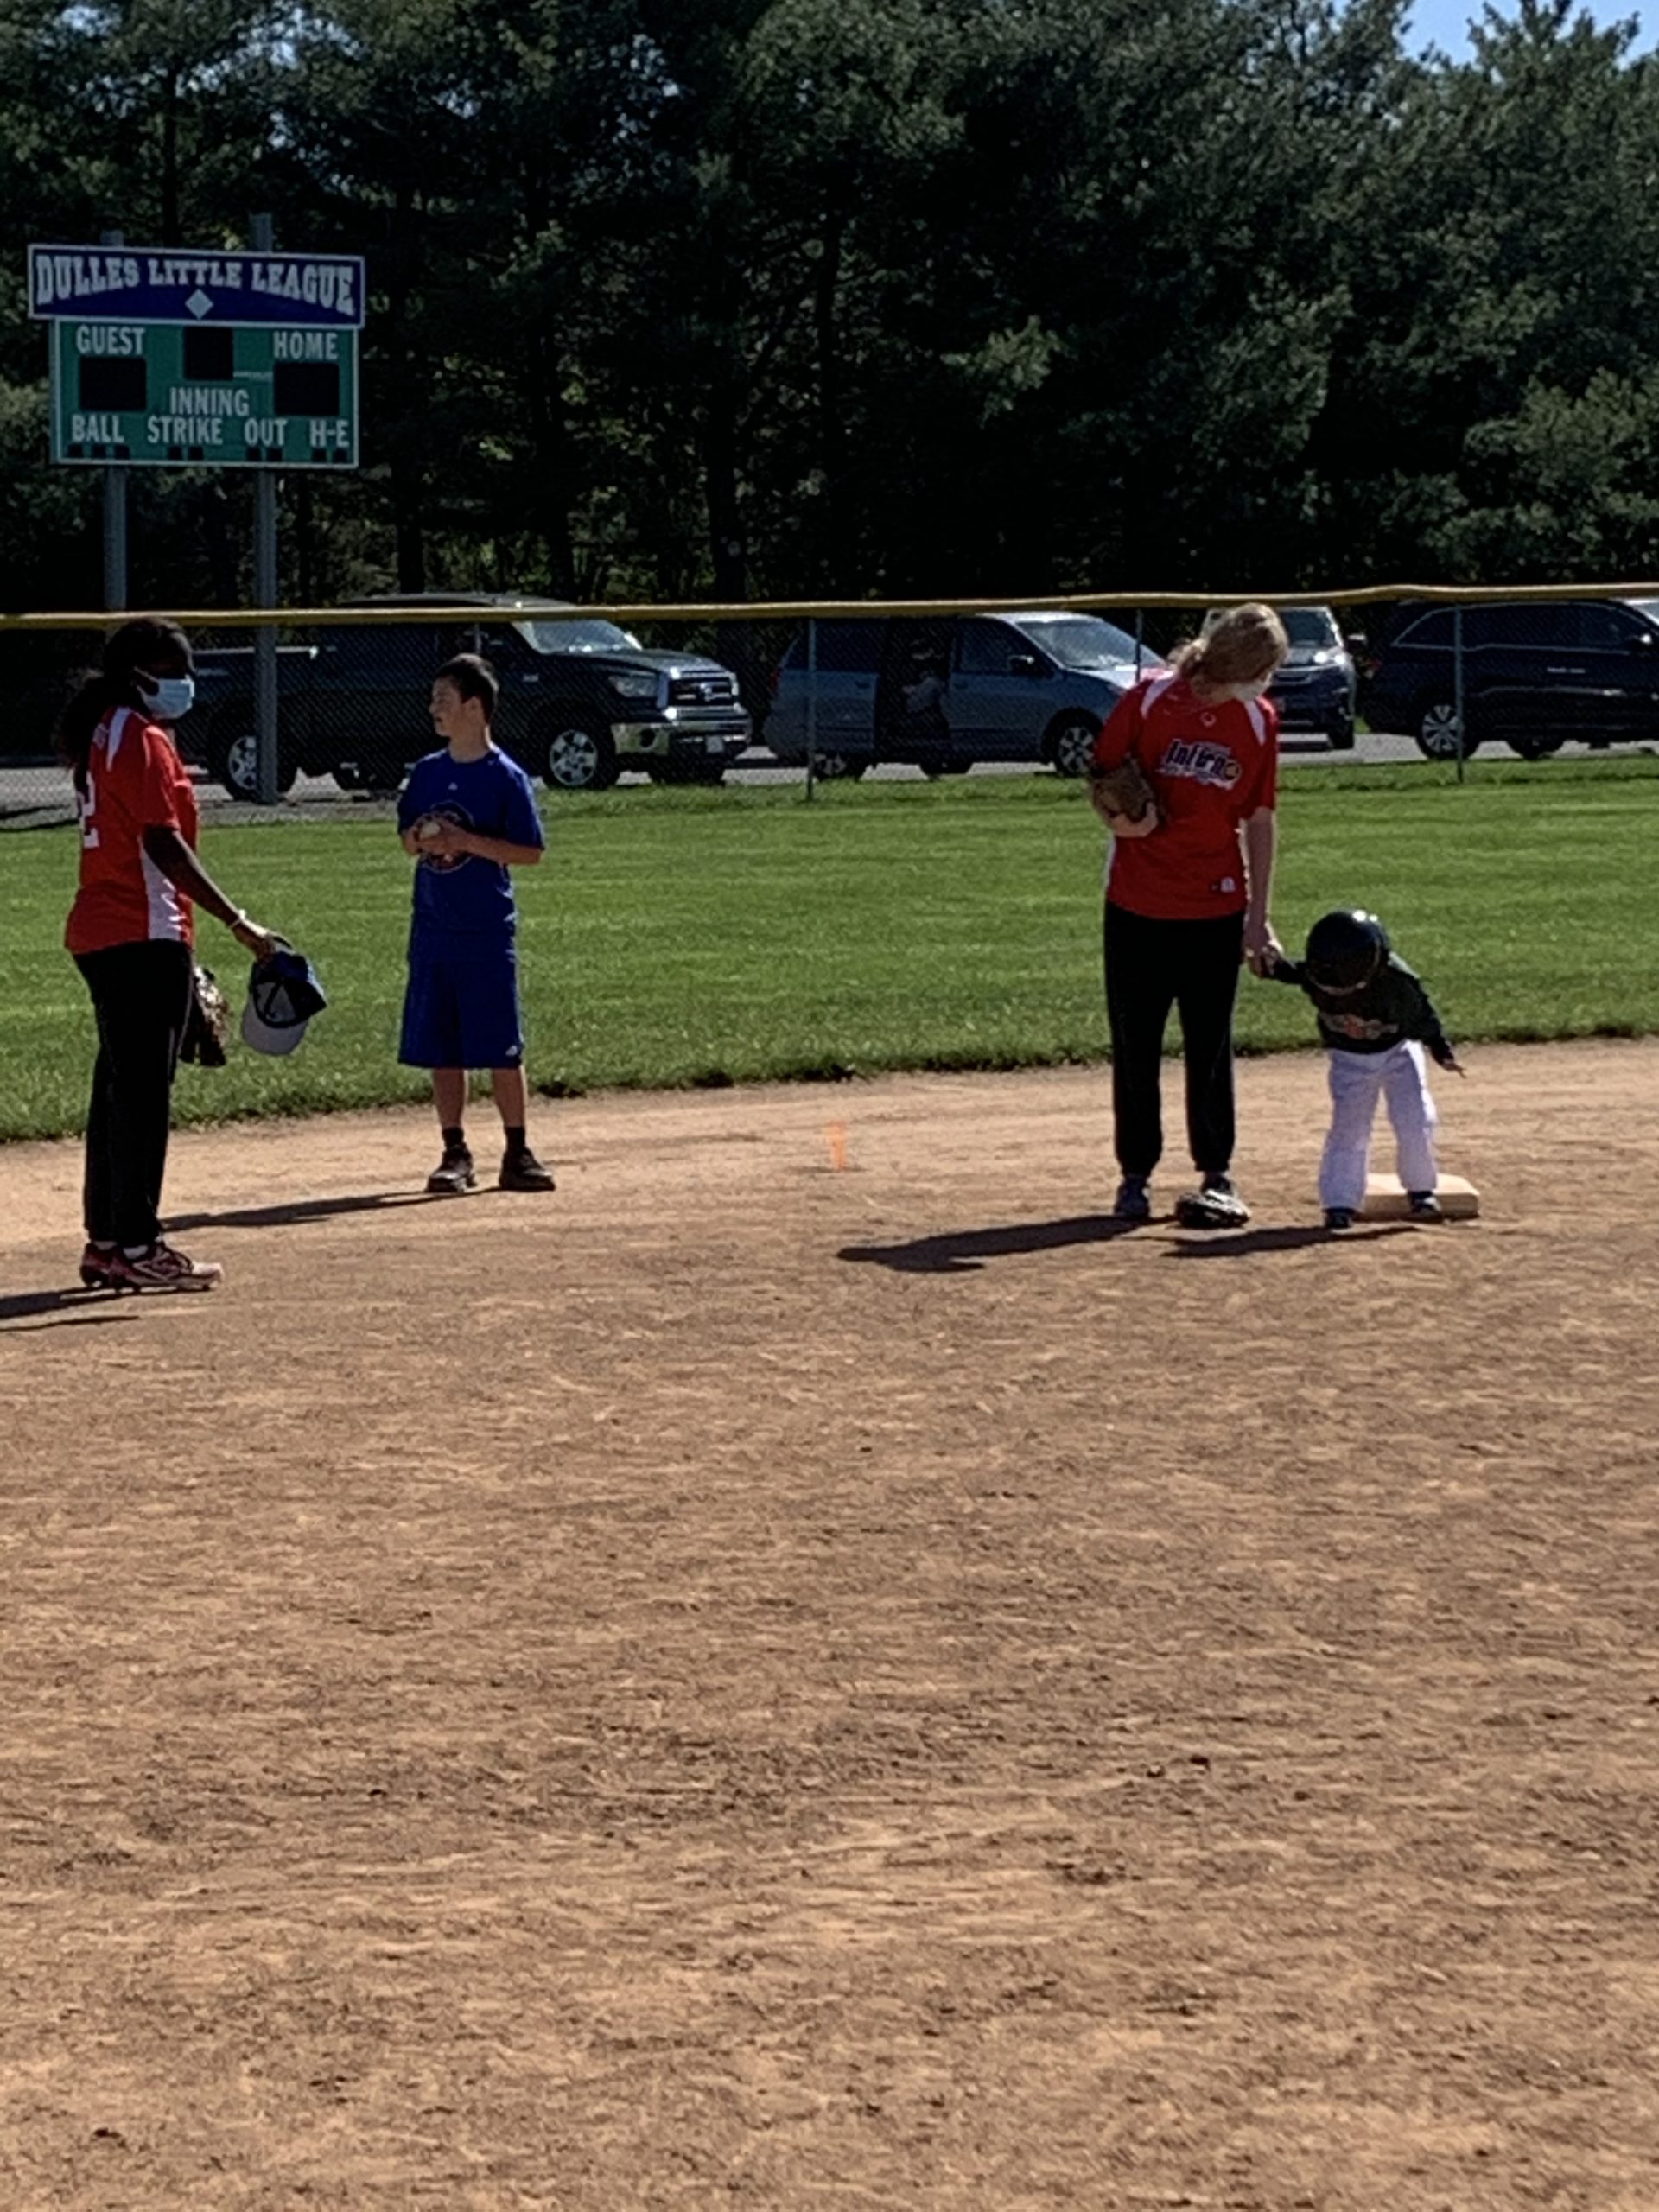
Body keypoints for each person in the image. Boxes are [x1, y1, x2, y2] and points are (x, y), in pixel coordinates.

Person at [59, 617, 282, 1292]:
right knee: (143, 1098)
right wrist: (238, 921)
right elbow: (162, 844)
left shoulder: (108, 731)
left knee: (119, 1092)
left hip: (111, 930)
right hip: (141, 931)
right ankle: (137, 1243)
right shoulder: (141, 738)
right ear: (139, 673)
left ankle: (108, 1242)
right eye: (174, 667)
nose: (184, 680)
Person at [1089, 601, 1288, 1228]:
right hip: (1136, 904)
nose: (1268, 681)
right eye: (1265, 668)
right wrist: (1126, 818)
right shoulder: (1149, 700)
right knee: (1136, 1044)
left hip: (1215, 905)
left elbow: (1260, 819)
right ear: (1238, 663)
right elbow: (1102, 775)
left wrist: (1259, 916)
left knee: (1210, 1046)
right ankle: (1135, 1175)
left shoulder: (1259, 722)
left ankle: (1216, 1171)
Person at [397, 652, 556, 1195]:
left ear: (474, 706)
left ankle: (518, 1151)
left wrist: (465, 842)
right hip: (434, 928)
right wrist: (421, 838)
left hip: (486, 929)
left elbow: (530, 851)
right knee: (443, 1046)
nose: (434, 708)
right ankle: (454, 1152)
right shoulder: (427, 772)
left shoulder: (505, 777)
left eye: (445, 699)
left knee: (501, 1045)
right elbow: (404, 839)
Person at [1261, 908, 1464, 1230]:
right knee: (1349, 1128)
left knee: (1415, 1120)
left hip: (1398, 1052)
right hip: (1349, 1059)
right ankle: (1339, 1203)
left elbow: (1424, 1018)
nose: (1335, 979)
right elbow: (1290, 972)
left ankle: (1422, 1191)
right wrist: (1268, 966)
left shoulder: (1398, 984)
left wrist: (1441, 1050)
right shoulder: (1318, 973)